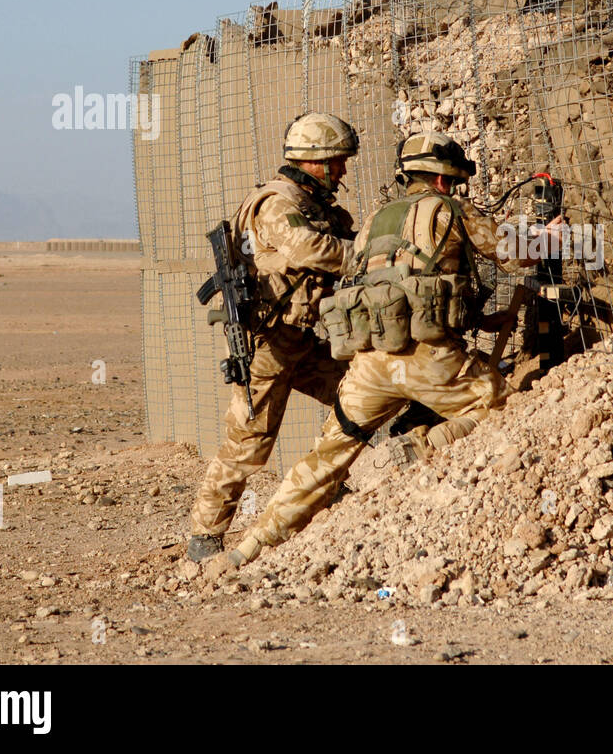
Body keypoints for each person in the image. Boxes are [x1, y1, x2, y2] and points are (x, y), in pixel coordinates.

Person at [215, 131, 565, 569]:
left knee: (324, 461)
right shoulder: (451, 209)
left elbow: (401, 289)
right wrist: (551, 237)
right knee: (504, 408)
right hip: (432, 362)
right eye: (453, 184)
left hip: (369, 366)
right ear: (442, 181)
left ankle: (249, 547)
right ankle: (418, 447)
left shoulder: (377, 220)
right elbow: (513, 254)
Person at [185, 112, 360, 562]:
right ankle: (206, 535)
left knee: (356, 394)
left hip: (299, 339)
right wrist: (362, 256)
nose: (342, 171)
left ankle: (329, 489)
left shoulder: (315, 203)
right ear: (313, 162)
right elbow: (307, 249)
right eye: (337, 162)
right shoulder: (278, 203)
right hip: (267, 344)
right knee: (248, 445)